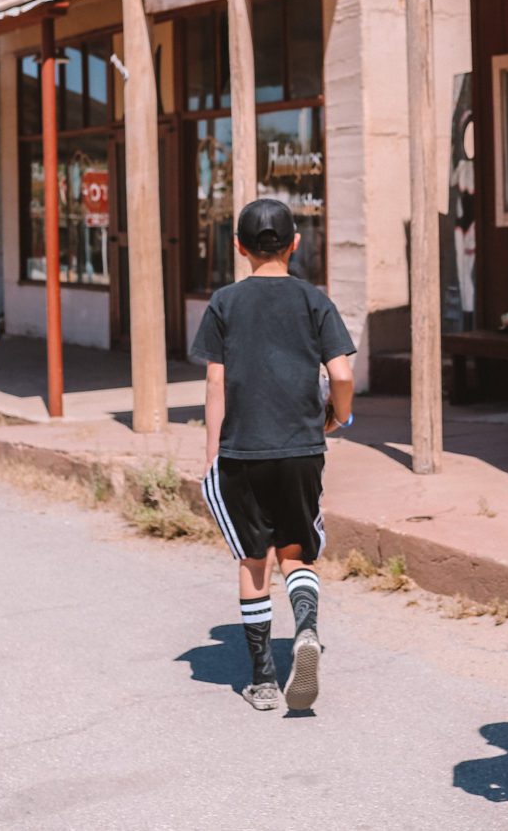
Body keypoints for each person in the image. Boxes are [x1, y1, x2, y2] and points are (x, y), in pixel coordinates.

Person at [191, 198, 357, 712]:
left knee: (252, 558)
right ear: (296, 244)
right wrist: (336, 415)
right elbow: (343, 374)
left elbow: (215, 382)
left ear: (238, 247)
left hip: (242, 449)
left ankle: (263, 678)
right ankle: (304, 630)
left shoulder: (223, 303)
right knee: (296, 550)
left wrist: (212, 450)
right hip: (301, 446)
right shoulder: (314, 300)